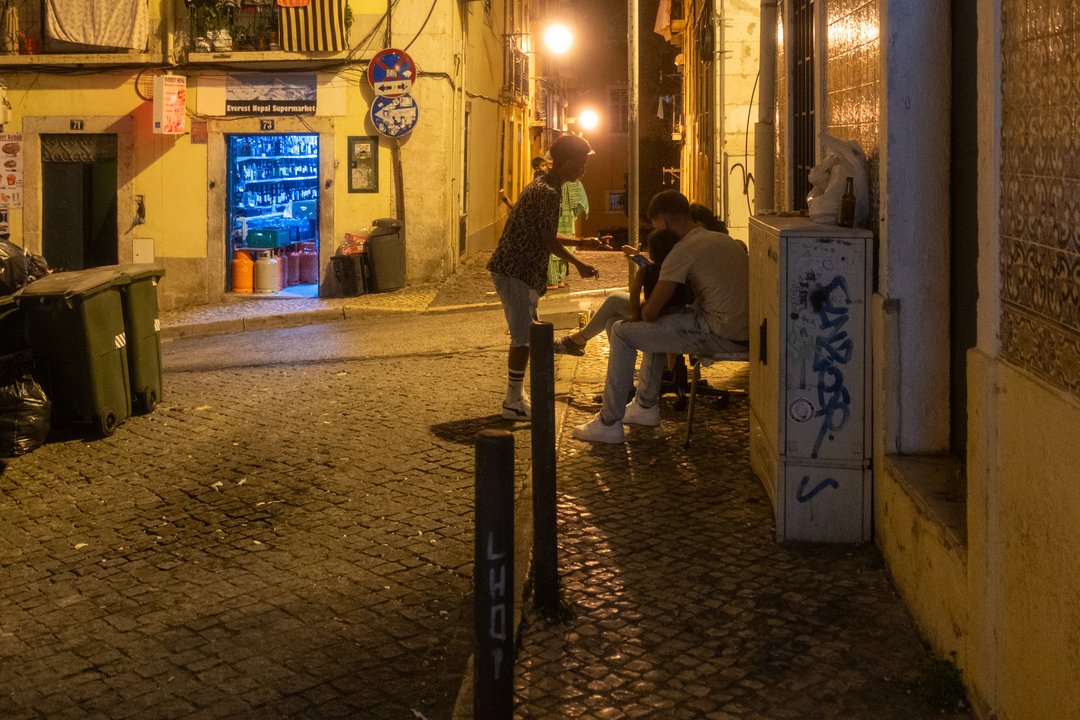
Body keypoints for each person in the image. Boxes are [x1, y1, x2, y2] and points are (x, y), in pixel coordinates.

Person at [572, 190, 749, 443]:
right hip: (742, 330)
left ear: (663, 222)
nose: (655, 231)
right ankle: (644, 406)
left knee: (621, 331)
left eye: (654, 225)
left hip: (720, 332)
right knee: (647, 325)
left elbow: (650, 312)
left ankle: (608, 422)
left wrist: (637, 285)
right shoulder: (720, 239)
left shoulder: (682, 250)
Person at [488, 134, 600, 420]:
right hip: (516, 270)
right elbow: (548, 241)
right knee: (523, 338)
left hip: (518, 270)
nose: (584, 169)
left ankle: (518, 395)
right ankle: (512, 401)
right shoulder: (548, 192)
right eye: (581, 162)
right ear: (566, 161)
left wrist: (581, 242)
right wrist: (579, 263)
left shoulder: (545, 186)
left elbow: (546, 232)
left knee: (526, 334)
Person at [552, 227, 689, 356]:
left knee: (614, 300)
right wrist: (637, 257)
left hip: (659, 316)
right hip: (666, 315)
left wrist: (635, 315)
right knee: (612, 322)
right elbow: (655, 270)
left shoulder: (658, 270)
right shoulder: (676, 265)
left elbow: (635, 291)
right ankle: (619, 364)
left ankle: (578, 340)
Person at [548, 177, 589, 288]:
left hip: (556, 219)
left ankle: (553, 280)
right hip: (567, 220)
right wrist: (573, 216)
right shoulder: (575, 182)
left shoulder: (550, 181)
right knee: (562, 249)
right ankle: (559, 279)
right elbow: (580, 204)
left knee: (554, 248)